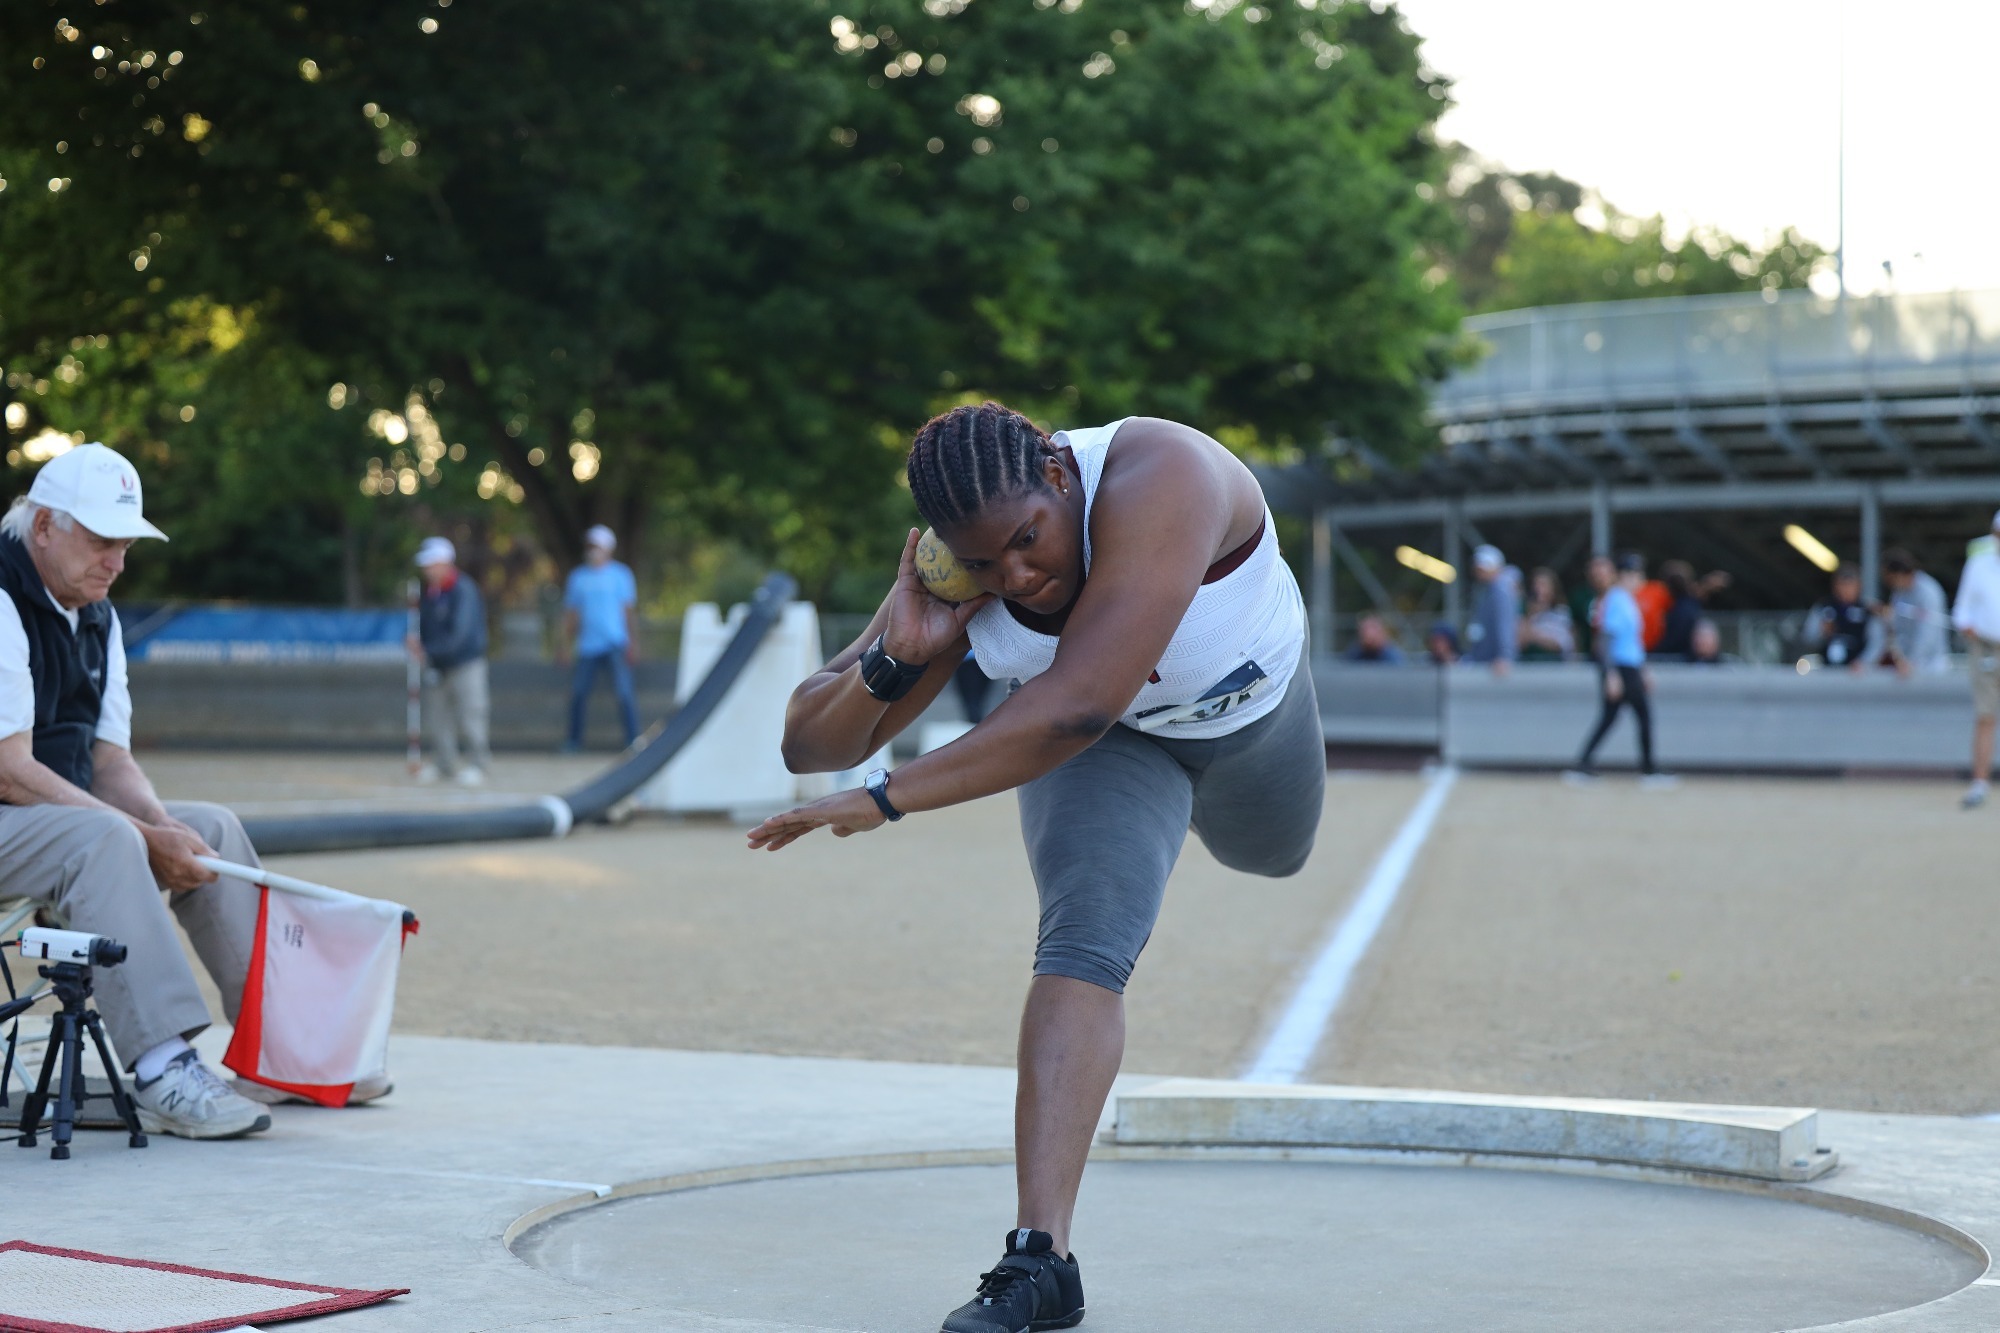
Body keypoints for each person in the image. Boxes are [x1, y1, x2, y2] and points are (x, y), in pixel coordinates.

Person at [748, 406, 1321, 1333]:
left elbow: (1080, 699)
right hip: (1111, 752)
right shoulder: (960, 571)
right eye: (982, 562)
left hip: (1248, 718)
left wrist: (885, 796)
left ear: (1059, 475)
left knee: (1273, 854)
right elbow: (808, 741)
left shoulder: (1160, 472)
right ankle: (1040, 1260)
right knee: (1082, 944)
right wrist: (899, 656)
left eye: (1026, 542)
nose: (1013, 576)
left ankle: (1241, 803)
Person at [0, 447, 274, 1140]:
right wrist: (140, 834)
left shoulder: (100, 616)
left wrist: (160, 824)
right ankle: (161, 1067)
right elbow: (7, 770)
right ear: (43, 528)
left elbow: (109, 761)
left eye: (124, 543)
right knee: (107, 837)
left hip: (43, 822)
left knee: (209, 826)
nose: (116, 561)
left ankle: (272, 1050)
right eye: (99, 540)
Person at [1574, 552, 1665, 781]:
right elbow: (1606, 640)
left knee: (1610, 717)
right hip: (1622, 667)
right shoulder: (1616, 599)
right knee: (1642, 715)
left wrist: (1643, 669)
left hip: (1630, 665)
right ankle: (1649, 769)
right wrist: (1611, 674)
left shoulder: (1626, 600)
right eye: (1634, 574)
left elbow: (1633, 641)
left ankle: (1583, 763)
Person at [409, 537, 490, 785]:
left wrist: (429, 651)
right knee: (439, 717)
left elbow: (461, 634)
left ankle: (479, 764)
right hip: (438, 665)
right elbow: (424, 627)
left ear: (445, 563)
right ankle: (444, 764)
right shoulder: (429, 593)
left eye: (431, 564)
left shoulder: (463, 589)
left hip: (466, 663)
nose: (427, 569)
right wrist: (418, 645)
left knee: (471, 714)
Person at [561, 524, 640, 751]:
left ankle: (633, 740)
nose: (591, 550)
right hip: (587, 646)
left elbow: (628, 611)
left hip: (615, 643)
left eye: (596, 545)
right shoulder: (578, 577)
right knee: (578, 693)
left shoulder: (621, 575)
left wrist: (633, 642)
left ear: (608, 548)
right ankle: (573, 741)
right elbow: (571, 614)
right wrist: (565, 645)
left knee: (624, 693)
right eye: (590, 545)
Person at [1951, 512, 2000, 809]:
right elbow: (1961, 610)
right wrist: (1968, 626)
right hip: (1984, 649)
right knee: (1985, 716)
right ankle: (1980, 782)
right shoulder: (1979, 565)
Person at [1871, 548, 1949, 677]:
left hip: (1930, 664)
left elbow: (1928, 631)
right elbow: (1897, 627)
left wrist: (1913, 661)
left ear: (1899, 574)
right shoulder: (1899, 594)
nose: (1888, 583)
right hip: (1906, 664)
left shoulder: (1928, 592)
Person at [1462, 544, 1518, 674]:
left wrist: (1504, 656)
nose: (1479, 572)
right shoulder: (1486, 590)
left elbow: (1504, 624)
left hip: (1495, 663)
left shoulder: (1501, 591)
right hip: (1485, 660)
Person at [1805, 564, 1872, 670]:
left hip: (1856, 672)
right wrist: (1822, 632)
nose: (1846, 589)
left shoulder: (1867, 611)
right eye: (1842, 585)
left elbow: (1876, 642)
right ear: (1835, 586)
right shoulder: (1823, 607)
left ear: (1859, 586)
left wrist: (1863, 662)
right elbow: (1809, 637)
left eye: (1850, 585)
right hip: (1826, 669)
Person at [1518, 566, 1574, 661]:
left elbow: (1563, 644)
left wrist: (1534, 637)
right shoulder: (1525, 612)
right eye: (1535, 584)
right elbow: (1519, 642)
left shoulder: (1561, 613)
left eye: (1542, 584)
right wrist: (1530, 614)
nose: (1537, 588)